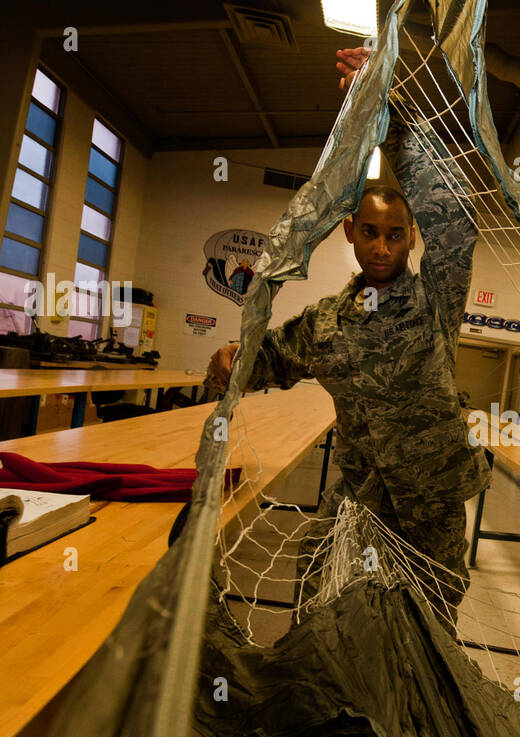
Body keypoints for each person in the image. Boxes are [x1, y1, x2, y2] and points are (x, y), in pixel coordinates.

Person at [205, 46, 490, 622]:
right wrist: (230, 359)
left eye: (394, 233)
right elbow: (267, 361)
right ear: (350, 233)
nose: (381, 246)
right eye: (369, 232)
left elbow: (453, 222)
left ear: (411, 237)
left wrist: (389, 113)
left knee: (429, 625)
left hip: (430, 500)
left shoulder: (435, 301)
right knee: (319, 599)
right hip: (359, 501)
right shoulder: (327, 322)